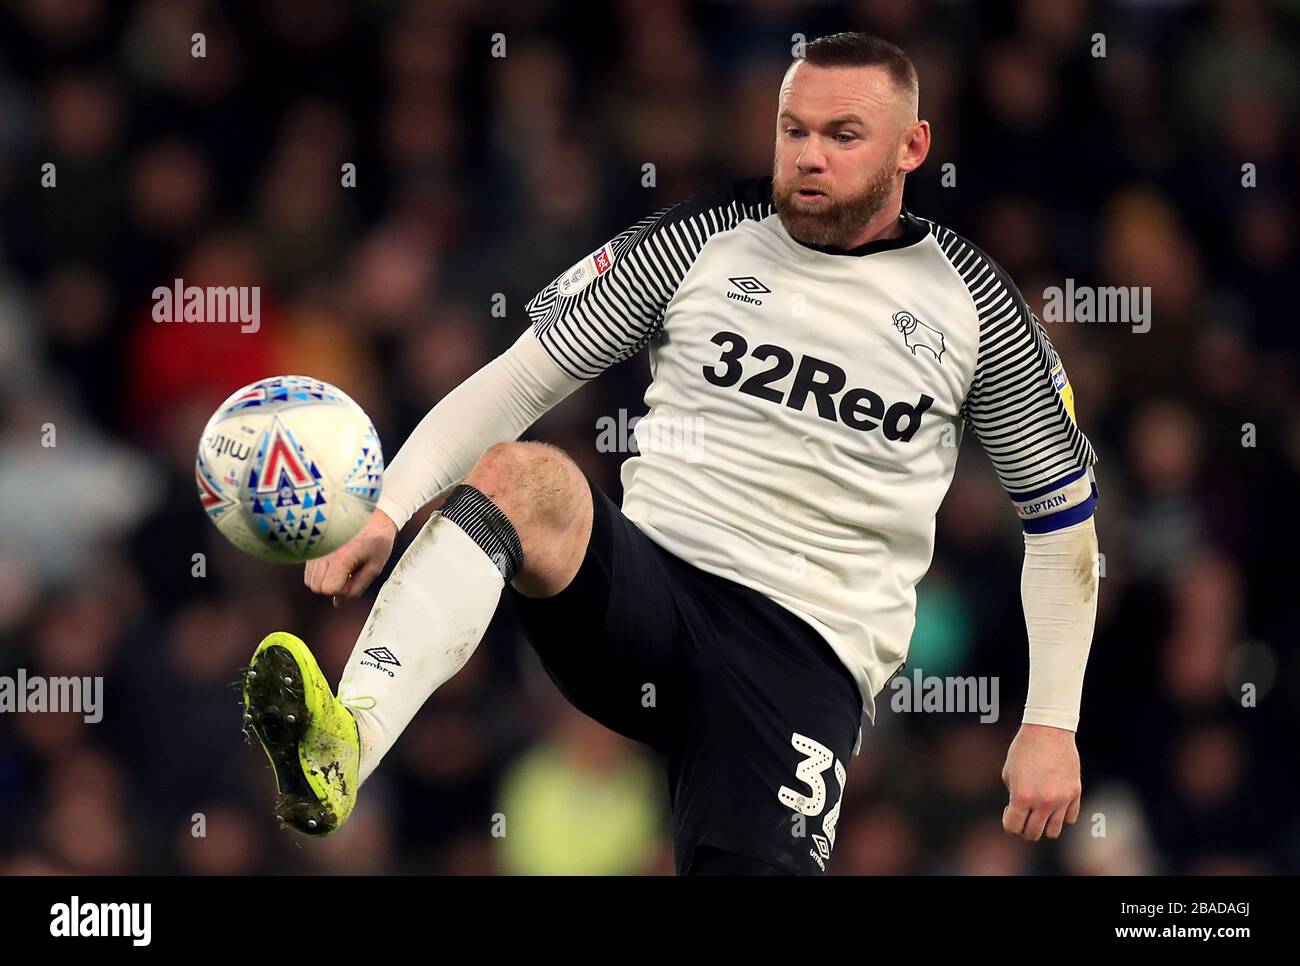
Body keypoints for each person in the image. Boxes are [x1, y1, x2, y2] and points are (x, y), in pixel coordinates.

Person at [242, 31, 1099, 876]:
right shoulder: (700, 238)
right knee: (524, 478)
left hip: (804, 654)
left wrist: (1051, 722)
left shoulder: (974, 302)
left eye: (843, 136)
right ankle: (345, 744)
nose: (808, 156)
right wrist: (389, 511)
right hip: (647, 595)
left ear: (912, 147)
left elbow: (1061, 528)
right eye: (793, 129)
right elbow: (515, 385)